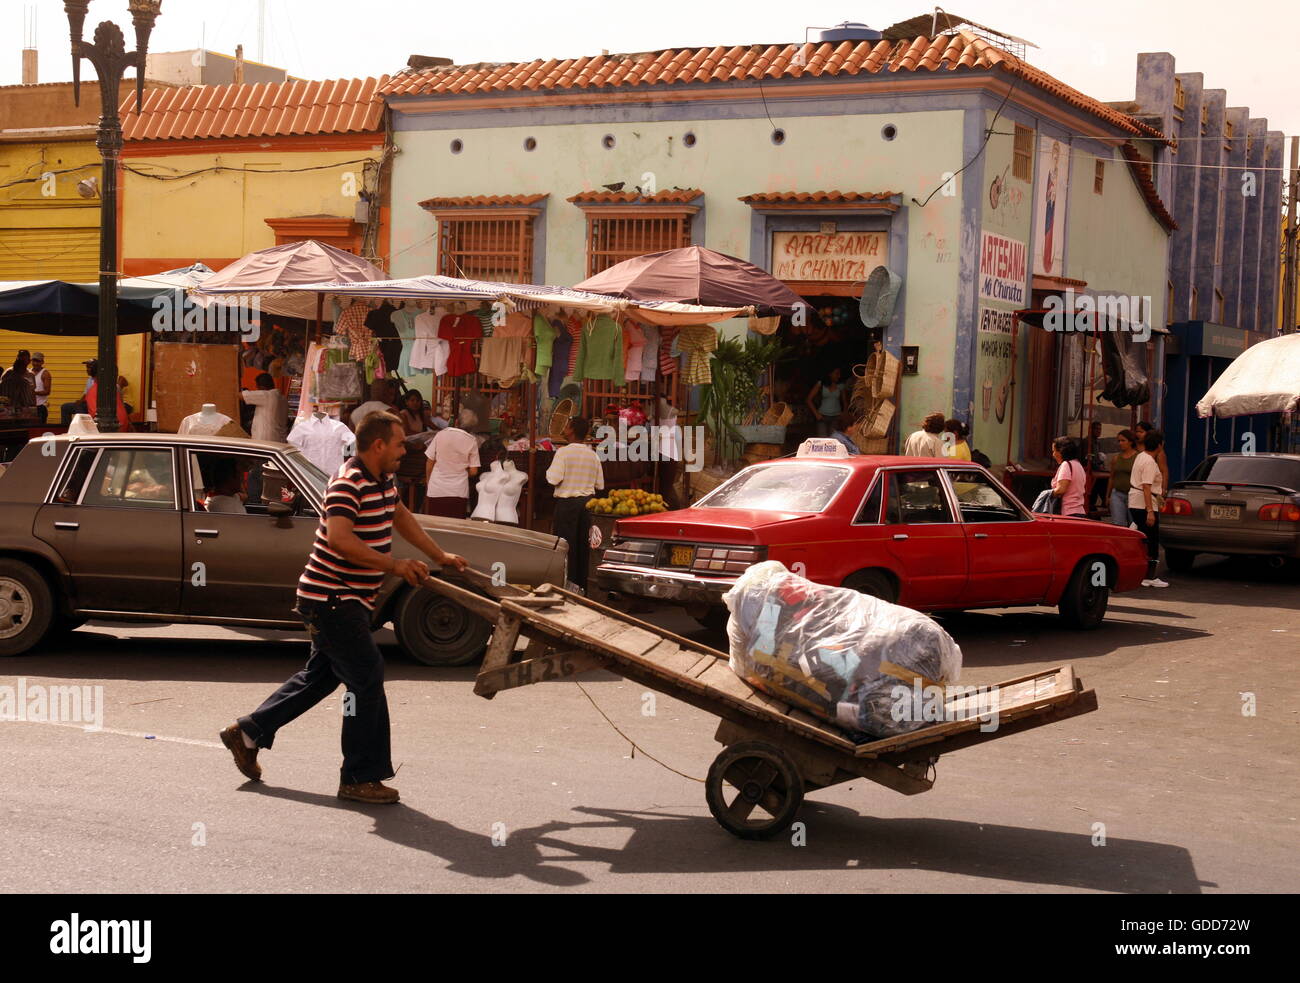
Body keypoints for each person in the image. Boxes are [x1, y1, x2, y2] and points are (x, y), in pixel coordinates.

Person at [221, 412, 468, 805]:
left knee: (320, 677)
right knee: (366, 678)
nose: (406, 450)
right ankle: (358, 776)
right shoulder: (348, 482)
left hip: (344, 598)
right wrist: (395, 566)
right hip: (331, 599)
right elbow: (339, 539)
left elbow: (400, 516)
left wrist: (439, 554)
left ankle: (248, 731)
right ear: (378, 446)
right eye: (401, 443)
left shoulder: (382, 480)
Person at [546, 416, 604, 592]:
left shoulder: (563, 452)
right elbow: (600, 485)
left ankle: (566, 586)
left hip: (567, 505)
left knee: (565, 547)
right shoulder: (592, 455)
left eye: (567, 426)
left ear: (571, 430)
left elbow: (553, 478)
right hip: (587, 506)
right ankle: (582, 587)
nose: (564, 429)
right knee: (583, 548)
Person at [423, 409, 481, 517]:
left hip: (437, 488)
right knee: (455, 527)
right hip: (458, 491)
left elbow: (429, 462)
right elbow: (473, 471)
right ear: (472, 428)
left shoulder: (441, 434)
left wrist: (428, 482)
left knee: (435, 526)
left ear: (457, 422)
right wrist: (459, 471)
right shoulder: (472, 441)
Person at [1130, 429, 1168, 587]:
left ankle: (1143, 574)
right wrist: (1150, 511)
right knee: (1152, 541)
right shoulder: (1150, 462)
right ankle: (1149, 577)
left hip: (1137, 501)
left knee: (1144, 539)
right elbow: (1146, 486)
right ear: (1160, 445)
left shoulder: (1140, 456)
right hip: (1144, 504)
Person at [241, 372, 288, 443]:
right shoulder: (283, 399)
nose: (256, 389)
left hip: (265, 440)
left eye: (257, 387)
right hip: (279, 440)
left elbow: (240, 395)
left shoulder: (266, 396)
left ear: (262, 387)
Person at [1050, 436, 1088, 518]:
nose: (1053, 455)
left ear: (1061, 452)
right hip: (1079, 511)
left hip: (1068, 513)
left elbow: (1061, 490)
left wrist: (1047, 494)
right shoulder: (1078, 465)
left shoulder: (1066, 465)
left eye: (1054, 451)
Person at [1108, 429, 1139, 527]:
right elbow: (1111, 477)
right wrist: (1107, 495)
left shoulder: (1138, 457)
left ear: (1130, 442)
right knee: (1118, 523)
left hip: (1133, 495)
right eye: (1119, 441)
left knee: (1133, 524)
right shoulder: (1116, 458)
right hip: (1117, 494)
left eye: (1123, 440)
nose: (1120, 443)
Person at [806, 367, 847, 437]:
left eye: (839, 374)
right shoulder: (821, 384)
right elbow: (808, 400)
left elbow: (845, 401)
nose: (839, 376)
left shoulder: (841, 386)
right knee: (822, 441)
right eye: (836, 373)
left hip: (836, 418)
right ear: (830, 374)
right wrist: (816, 414)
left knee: (833, 441)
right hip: (822, 417)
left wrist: (844, 413)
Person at [1135, 420, 1169, 502]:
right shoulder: (1133, 446)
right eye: (1137, 432)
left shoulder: (1158, 451)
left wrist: (1163, 489)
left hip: (1150, 489)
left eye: (1141, 432)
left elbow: (1164, 471)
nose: (1138, 434)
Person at [28, 352, 51, 424]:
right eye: (34, 361)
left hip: (40, 407)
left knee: (39, 430)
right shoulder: (28, 372)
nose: (35, 363)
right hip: (29, 406)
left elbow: (47, 391)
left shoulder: (45, 373)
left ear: (42, 362)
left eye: (38, 361)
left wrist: (34, 393)